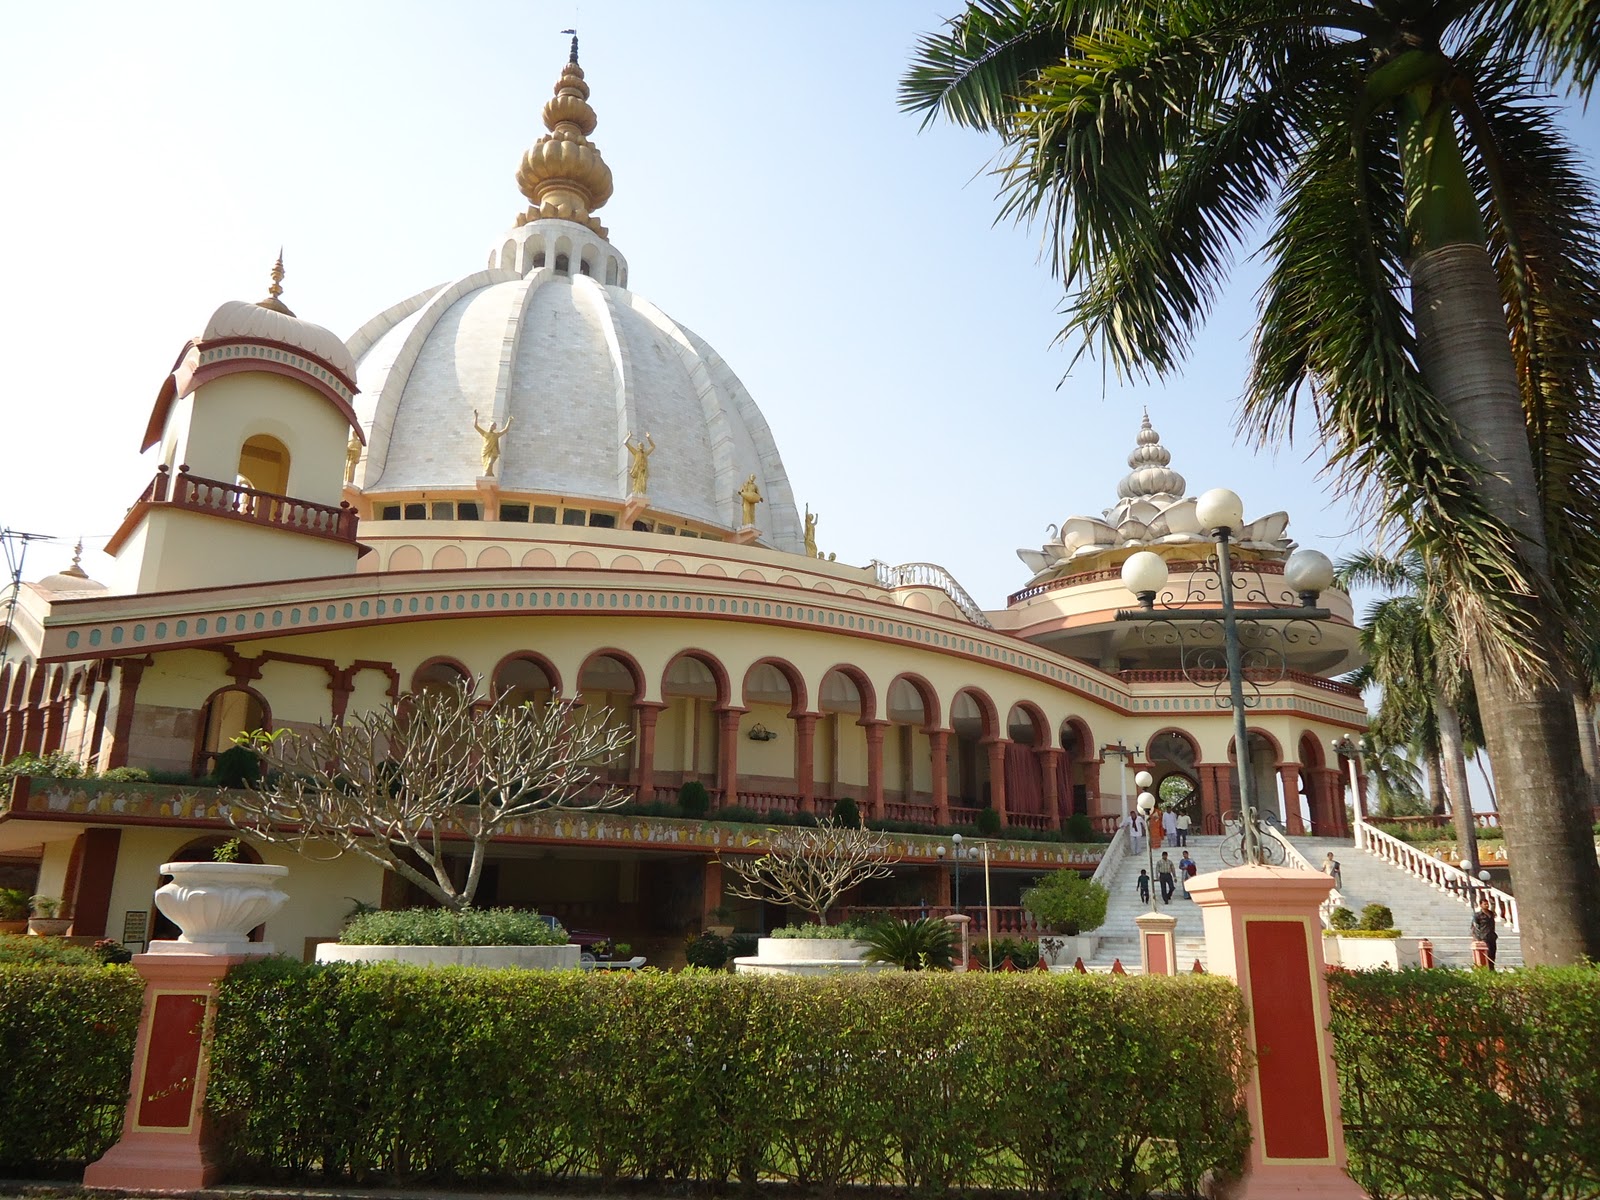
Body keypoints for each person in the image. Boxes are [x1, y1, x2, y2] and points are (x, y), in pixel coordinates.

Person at [1471, 898, 1497, 970]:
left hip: (1492, 936)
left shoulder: (1491, 913)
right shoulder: (1478, 915)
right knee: (1487, 954)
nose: (1486, 905)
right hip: (1484, 937)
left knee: (1493, 953)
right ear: (1480, 905)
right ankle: (1486, 969)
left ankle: (1492, 969)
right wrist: (1476, 938)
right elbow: (1474, 927)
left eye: (1487, 904)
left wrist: (1493, 904)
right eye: (1484, 904)